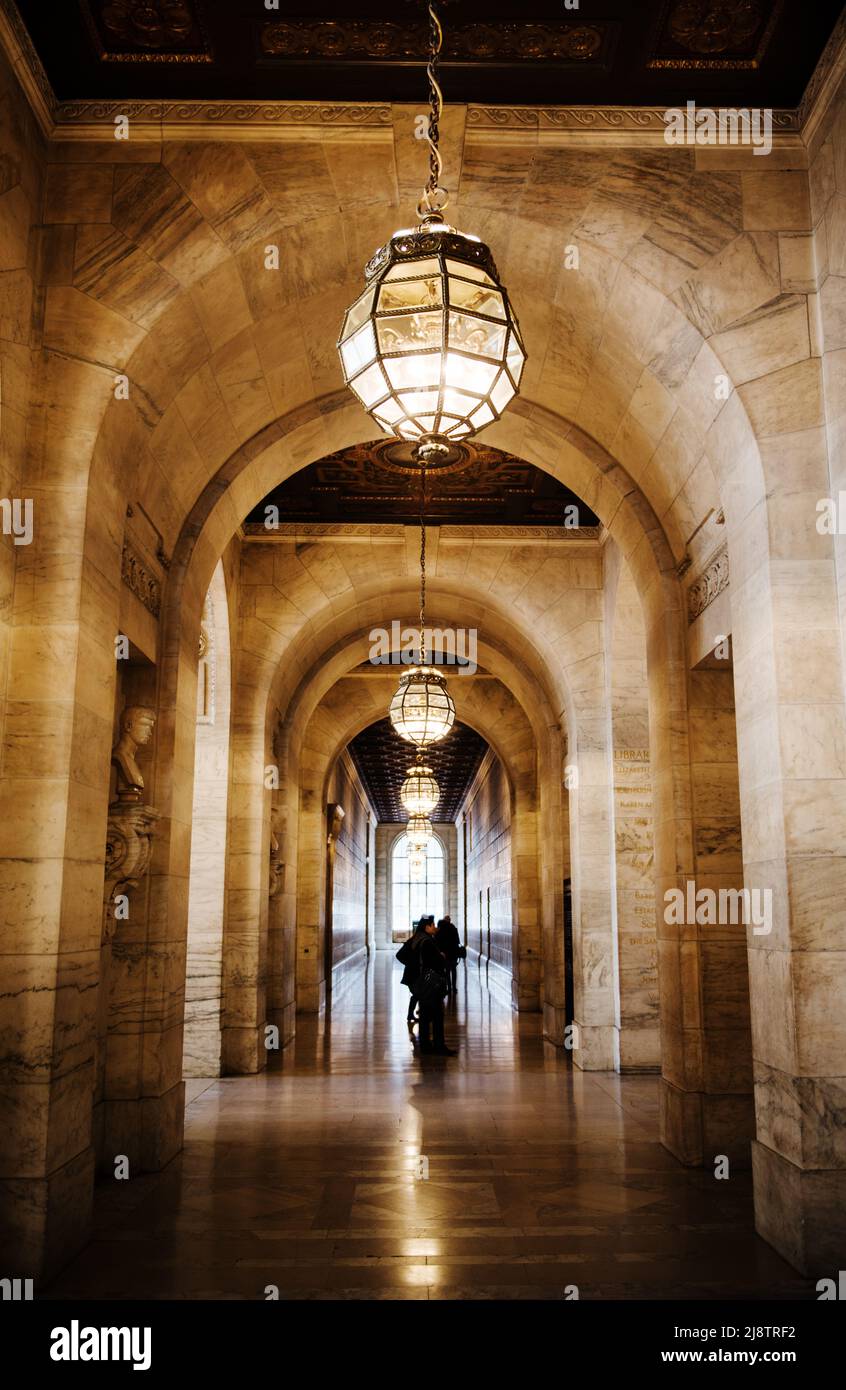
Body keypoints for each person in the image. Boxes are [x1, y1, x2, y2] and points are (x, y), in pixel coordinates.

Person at [417, 918, 456, 1056]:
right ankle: (438, 1046)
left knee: (425, 1015)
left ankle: (425, 1045)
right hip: (432, 984)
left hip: (424, 983)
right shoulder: (427, 941)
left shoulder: (419, 938)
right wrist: (441, 956)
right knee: (437, 1016)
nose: (435, 927)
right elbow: (435, 961)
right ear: (427, 927)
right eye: (432, 925)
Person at [400, 918, 428, 1024]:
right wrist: (412, 964)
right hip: (414, 974)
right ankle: (412, 1015)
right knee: (418, 994)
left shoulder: (414, 939)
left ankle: (411, 1015)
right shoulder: (419, 940)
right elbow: (400, 955)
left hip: (412, 973)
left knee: (417, 994)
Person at [437, 915, 461, 995]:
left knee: (447, 971)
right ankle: (454, 987)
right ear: (450, 920)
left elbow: (438, 942)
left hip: (445, 953)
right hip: (453, 953)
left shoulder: (441, 929)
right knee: (453, 970)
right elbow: (458, 941)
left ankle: (449, 987)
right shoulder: (454, 928)